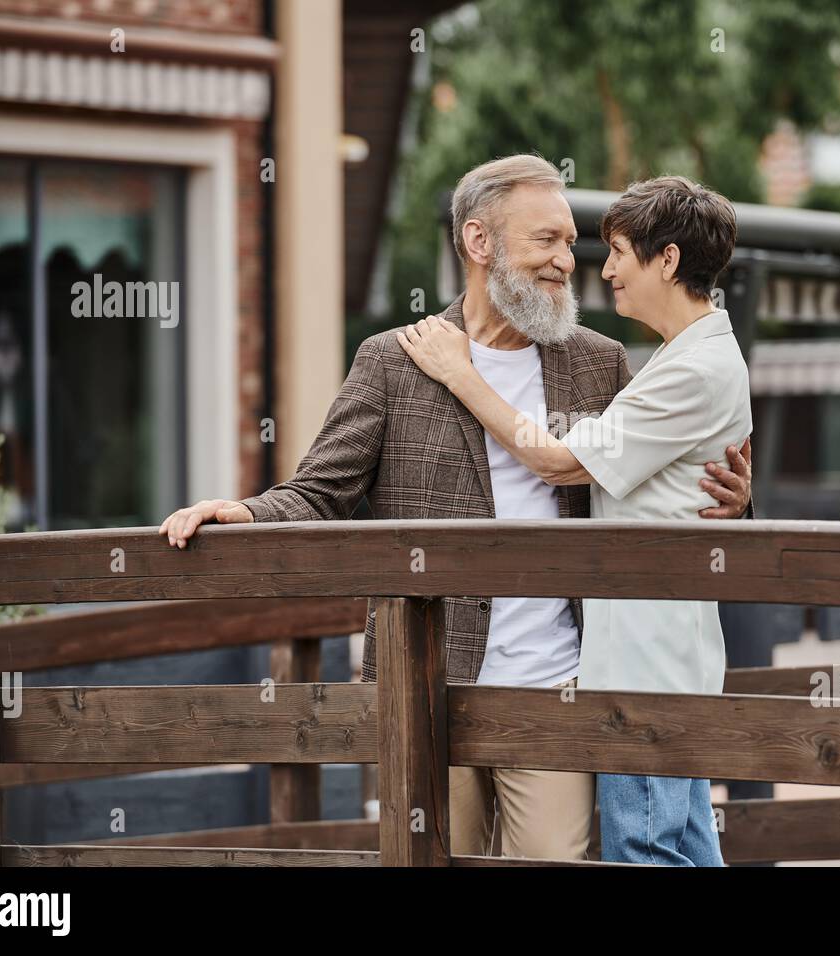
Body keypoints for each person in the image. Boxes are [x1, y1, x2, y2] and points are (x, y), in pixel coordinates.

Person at [157, 155, 752, 862]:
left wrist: (736, 505)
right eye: (547, 242)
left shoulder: (600, 362)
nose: (570, 261)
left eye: (572, 243)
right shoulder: (392, 361)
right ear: (479, 243)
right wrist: (248, 513)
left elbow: (660, 478)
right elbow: (322, 491)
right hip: (429, 682)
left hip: (561, 683)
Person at [397, 174, 750, 866]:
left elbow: (559, 463)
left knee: (647, 850)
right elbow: (679, 477)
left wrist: (461, 373)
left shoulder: (688, 370)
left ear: (668, 261)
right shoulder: (681, 358)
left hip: (644, 669)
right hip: (650, 662)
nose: (604, 269)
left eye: (618, 252)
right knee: (682, 847)